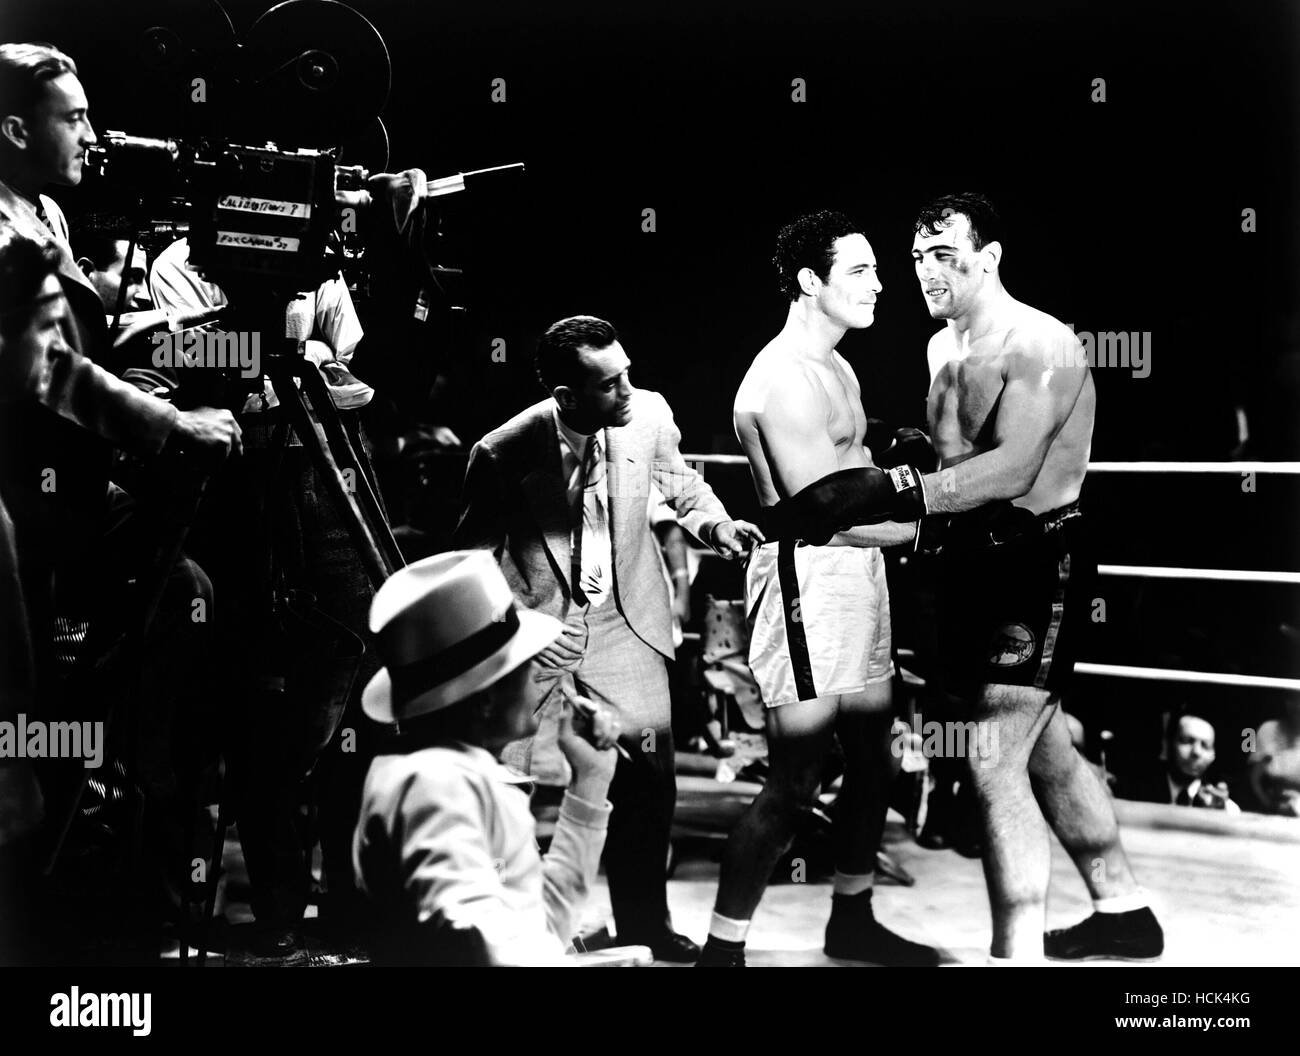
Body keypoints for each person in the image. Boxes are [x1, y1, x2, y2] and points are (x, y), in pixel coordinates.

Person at [770, 193, 1164, 963]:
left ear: (990, 257)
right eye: (917, 256)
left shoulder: (1042, 343)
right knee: (1040, 747)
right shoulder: (938, 347)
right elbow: (957, 465)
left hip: (1037, 561)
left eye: (946, 254)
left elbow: (1014, 467)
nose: (928, 271)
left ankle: (1012, 954)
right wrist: (913, 461)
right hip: (971, 561)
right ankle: (1125, 911)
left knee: (990, 755)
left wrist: (896, 491)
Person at [454, 314, 763, 961]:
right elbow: (472, 563)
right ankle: (507, 933)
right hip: (534, 631)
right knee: (507, 779)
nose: (627, 392)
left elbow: (681, 484)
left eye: (627, 375)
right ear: (565, 397)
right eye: (608, 385)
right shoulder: (504, 451)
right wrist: (524, 635)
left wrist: (719, 527)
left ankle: (645, 925)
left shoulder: (647, 416)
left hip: (628, 622)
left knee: (650, 783)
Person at [697, 211, 938, 967]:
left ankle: (852, 917)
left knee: (875, 761)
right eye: (860, 271)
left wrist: (897, 467)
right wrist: (930, 522)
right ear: (811, 281)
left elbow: (857, 470)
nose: (880, 284)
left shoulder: (837, 364)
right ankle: (722, 948)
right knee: (795, 780)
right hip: (807, 578)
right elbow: (821, 516)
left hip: (857, 577)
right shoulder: (781, 383)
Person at [353, 550, 620, 965]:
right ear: (488, 699)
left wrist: (589, 780)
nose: (537, 675)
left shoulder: (458, 771)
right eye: (524, 664)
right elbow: (468, 933)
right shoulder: (435, 782)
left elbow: (541, 927)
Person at [1117, 713, 1240, 812]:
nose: (1196, 752)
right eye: (1187, 741)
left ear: (1213, 755)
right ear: (1168, 745)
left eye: (1205, 745)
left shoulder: (1226, 810)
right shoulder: (1132, 796)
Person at [1248, 697, 1300, 816]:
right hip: (1268, 810)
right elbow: (1253, 778)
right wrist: (1270, 806)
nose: (1298, 706)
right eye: (1293, 699)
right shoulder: (1268, 729)